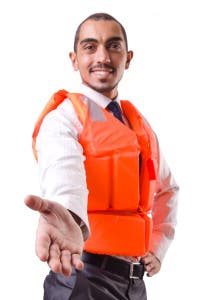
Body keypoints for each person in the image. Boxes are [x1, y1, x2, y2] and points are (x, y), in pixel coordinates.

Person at [25, 12, 179, 300]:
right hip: (81, 277)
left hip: (133, 284)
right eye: (90, 46)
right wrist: (68, 218)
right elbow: (64, 175)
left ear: (128, 58)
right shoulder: (64, 119)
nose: (102, 57)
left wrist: (157, 247)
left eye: (113, 46)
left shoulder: (139, 124)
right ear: (74, 59)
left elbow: (168, 188)